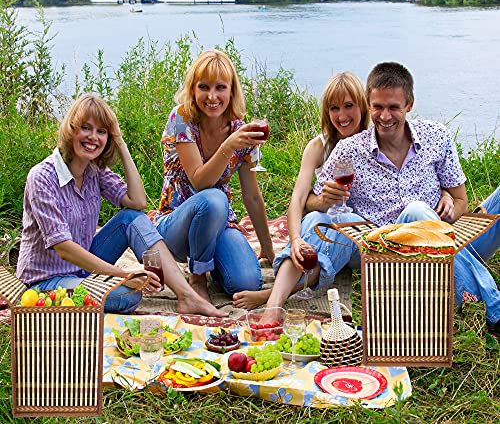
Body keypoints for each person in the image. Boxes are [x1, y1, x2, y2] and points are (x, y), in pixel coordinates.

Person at [309, 62, 500, 332]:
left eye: (394, 107)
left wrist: (447, 210)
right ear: (368, 103)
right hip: (398, 259)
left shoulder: (437, 137)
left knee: (430, 214)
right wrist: (325, 199)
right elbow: (312, 201)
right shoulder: (350, 149)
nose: (385, 116)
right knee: (416, 212)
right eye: (377, 107)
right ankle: (493, 311)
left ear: (409, 104)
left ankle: (464, 273)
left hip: (448, 247)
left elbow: (461, 202)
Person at [16, 94, 224, 317]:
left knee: (131, 218)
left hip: (82, 269)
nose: (93, 137)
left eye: (102, 131)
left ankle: (187, 296)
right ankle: (84, 295)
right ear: (71, 130)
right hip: (46, 281)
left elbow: (138, 202)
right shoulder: (42, 177)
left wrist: (120, 142)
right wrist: (122, 275)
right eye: (85, 128)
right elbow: (64, 248)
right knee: (128, 294)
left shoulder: (93, 171)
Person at [232, 71, 371, 310]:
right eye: (334, 108)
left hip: (361, 240)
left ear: (363, 107)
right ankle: (275, 303)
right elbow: (298, 200)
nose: (342, 115)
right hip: (327, 234)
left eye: (349, 106)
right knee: (317, 219)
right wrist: (295, 238)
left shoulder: (374, 142)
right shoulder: (319, 146)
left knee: (341, 219)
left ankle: (271, 295)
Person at [149, 50, 274, 303]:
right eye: (204, 87)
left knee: (246, 282)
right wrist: (228, 146)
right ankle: (197, 276)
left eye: (221, 87)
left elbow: (251, 196)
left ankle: (213, 260)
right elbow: (199, 181)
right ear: (193, 90)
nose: (212, 96)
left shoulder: (241, 132)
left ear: (232, 91)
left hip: (218, 224)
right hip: (175, 222)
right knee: (215, 198)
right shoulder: (181, 119)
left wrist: (268, 248)